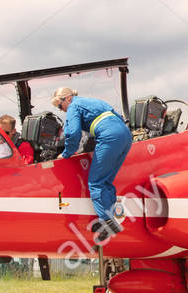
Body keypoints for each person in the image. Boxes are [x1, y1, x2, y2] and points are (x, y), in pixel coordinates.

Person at [52, 87, 132, 243]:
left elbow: (72, 133)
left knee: (95, 182)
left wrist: (66, 153)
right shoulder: (90, 101)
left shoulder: (74, 106)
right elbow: (115, 117)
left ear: (67, 99)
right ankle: (108, 219)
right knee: (106, 181)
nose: (61, 110)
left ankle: (107, 222)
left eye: (60, 106)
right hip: (124, 136)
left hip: (109, 137)